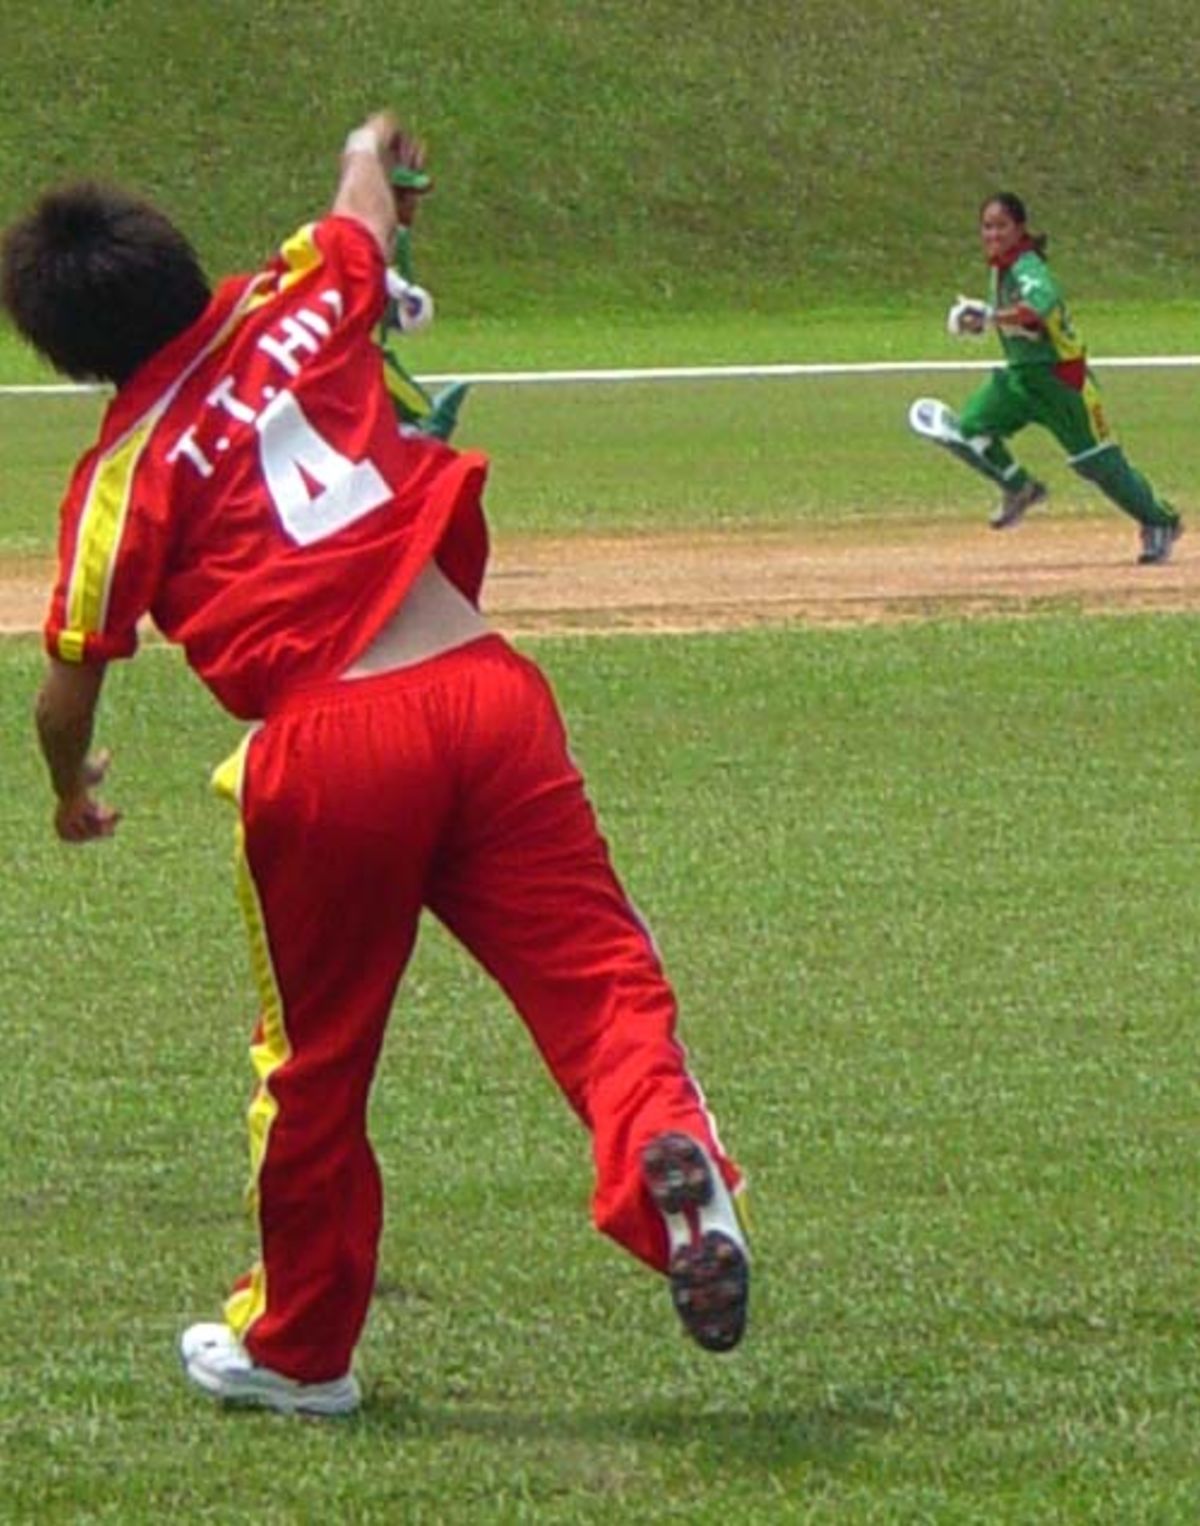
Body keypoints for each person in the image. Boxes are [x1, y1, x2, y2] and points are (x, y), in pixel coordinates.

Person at [1, 111, 749, 1417]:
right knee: (600, 986)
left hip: (333, 743)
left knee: (315, 1068)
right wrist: (371, 145)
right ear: (180, 262)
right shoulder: (294, 296)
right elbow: (361, 207)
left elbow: (70, 686)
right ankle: (670, 1158)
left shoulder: (121, 469)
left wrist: (69, 792)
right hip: (485, 689)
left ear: (68, 355)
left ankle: (302, 1348)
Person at [909, 191, 1182, 565]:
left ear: (1020, 228)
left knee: (1099, 465)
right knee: (971, 428)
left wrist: (990, 316)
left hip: (1062, 383)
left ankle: (1160, 521)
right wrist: (984, 321)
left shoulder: (1027, 265)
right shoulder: (1001, 267)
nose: (993, 234)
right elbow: (1021, 324)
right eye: (987, 227)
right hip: (1022, 379)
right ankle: (1020, 488)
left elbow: (1039, 306)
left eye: (1001, 226)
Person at [377, 142, 470, 442]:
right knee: (424, 418)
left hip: (366, 353)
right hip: (355, 357)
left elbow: (394, 314)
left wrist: (406, 307)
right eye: (404, 197)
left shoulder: (395, 237)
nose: (411, 206)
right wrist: (404, 293)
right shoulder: (366, 235)